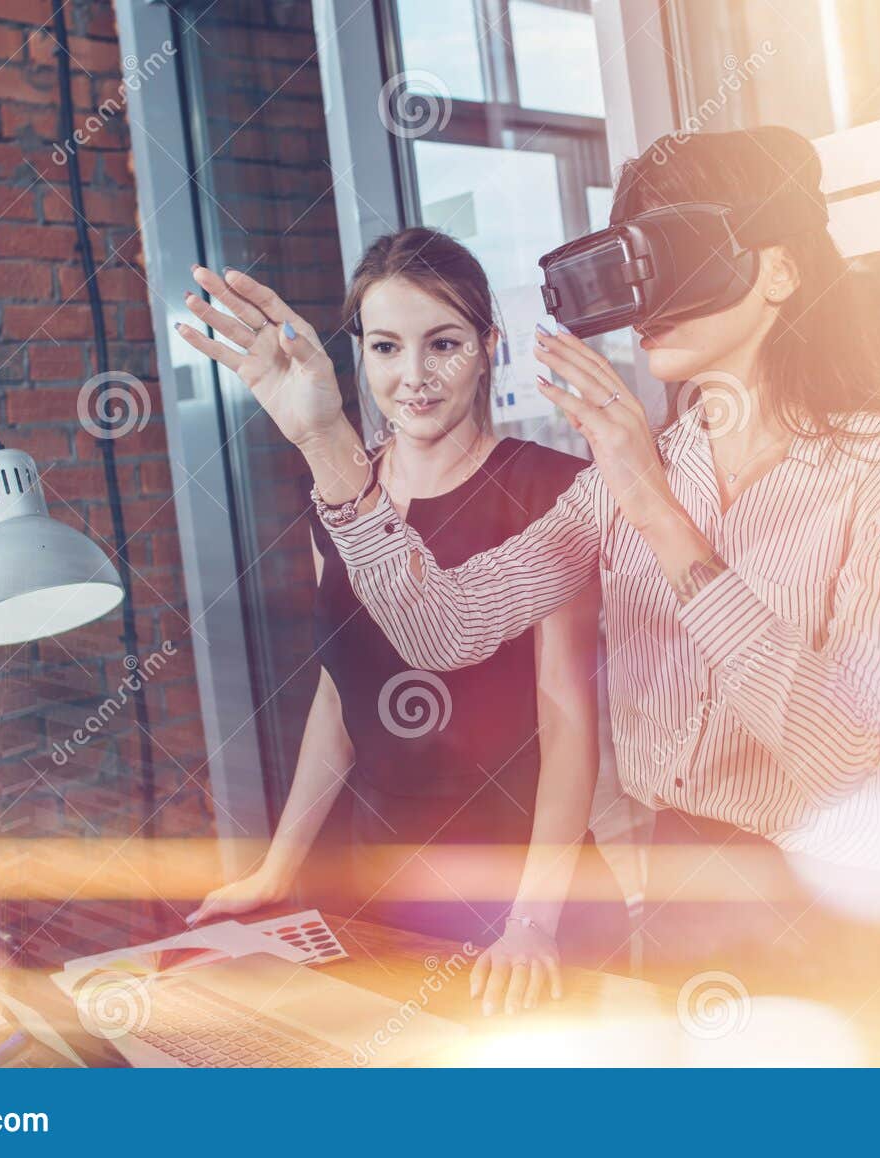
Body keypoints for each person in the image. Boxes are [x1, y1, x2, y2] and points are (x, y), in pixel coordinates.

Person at [177, 127, 880, 1006]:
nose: (650, 301)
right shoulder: (628, 475)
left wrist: (660, 516)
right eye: (637, 268)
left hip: (851, 903)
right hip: (681, 893)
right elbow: (445, 628)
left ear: (777, 271)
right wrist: (326, 440)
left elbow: (851, 760)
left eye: (680, 255)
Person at [182, 227, 612, 1016]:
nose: (412, 377)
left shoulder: (555, 489)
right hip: (382, 880)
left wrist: (531, 923)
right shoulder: (345, 498)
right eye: (385, 347)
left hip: (527, 891)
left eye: (442, 344)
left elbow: (568, 718)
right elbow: (341, 693)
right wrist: (280, 867)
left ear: (487, 345)